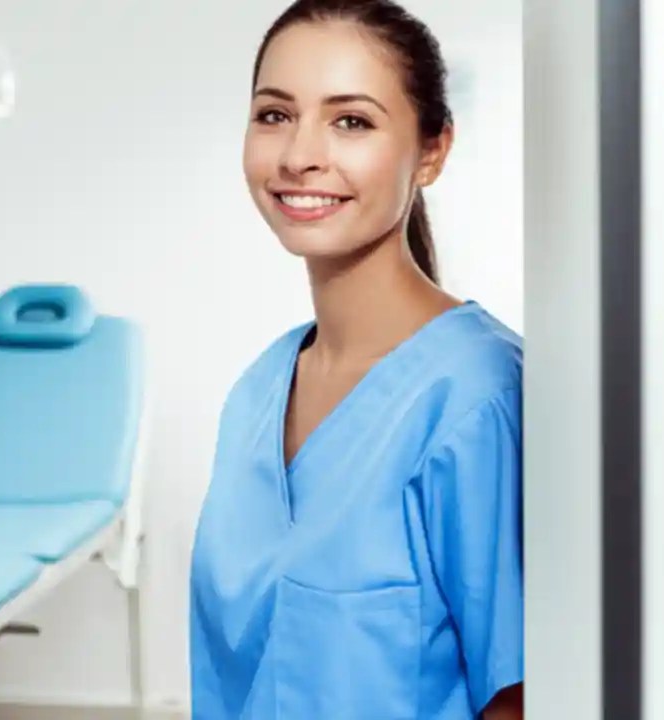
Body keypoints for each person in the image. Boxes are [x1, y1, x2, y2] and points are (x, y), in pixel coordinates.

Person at [188, 1, 523, 718]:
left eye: (352, 121)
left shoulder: (480, 398)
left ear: (432, 150)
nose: (299, 154)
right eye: (275, 114)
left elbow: (519, 696)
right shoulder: (257, 394)